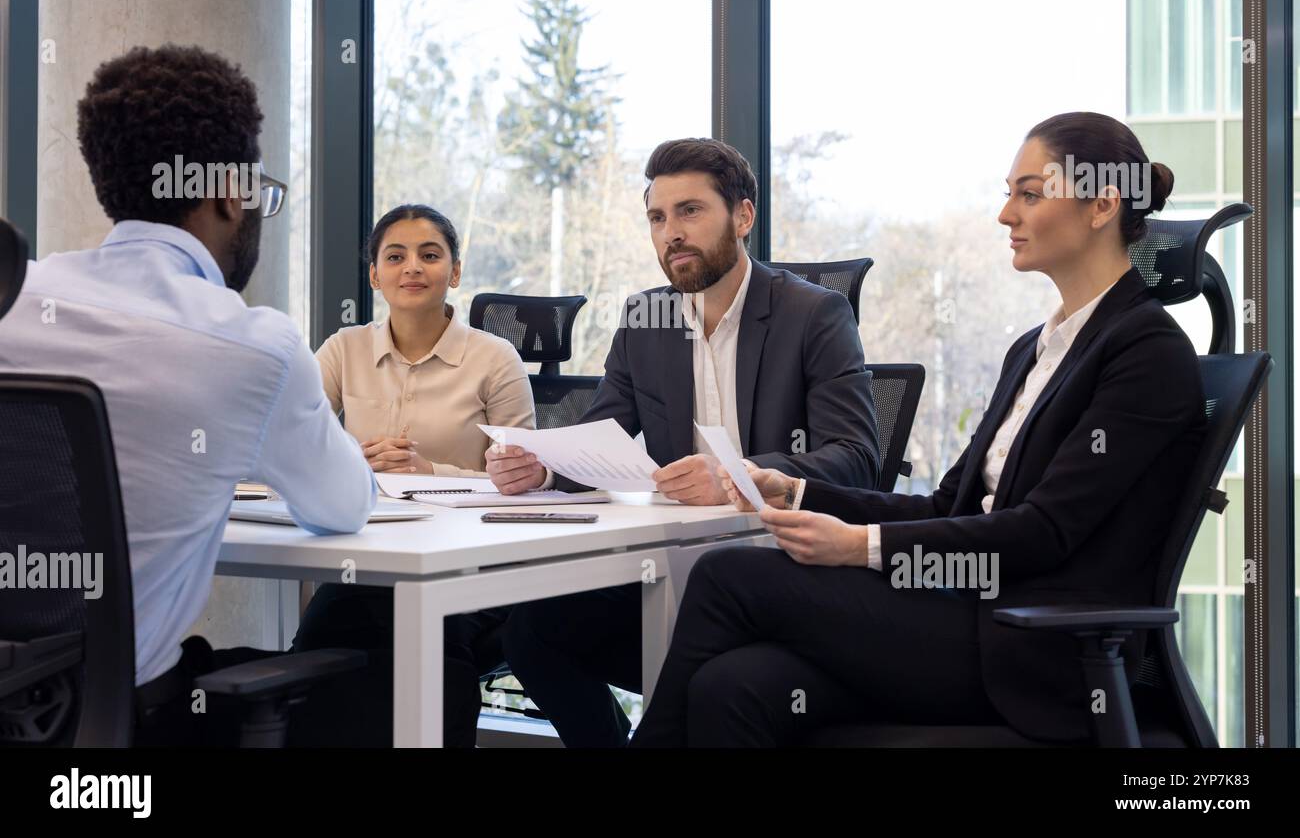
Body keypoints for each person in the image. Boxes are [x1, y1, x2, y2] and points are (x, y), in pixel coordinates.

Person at [630, 111, 1208, 747]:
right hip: (960, 616)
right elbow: (944, 504)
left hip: (1030, 644)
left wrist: (858, 546)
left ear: (1101, 205)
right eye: (1008, 194)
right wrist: (791, 491)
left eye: (1029, 194)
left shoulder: (1146, 351)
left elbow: (1043, 533)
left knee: (725, 574)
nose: (1006, 215)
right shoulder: (1036, 350)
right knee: (733, 686)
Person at [0, 45, 377, 746]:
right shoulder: (253, 344)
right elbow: (344, 504)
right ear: (231, 191)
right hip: (121, 727)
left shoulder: (15, 296)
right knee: (383, 679)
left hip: (28, 707)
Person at [488, 137, 882, 746]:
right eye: (657, 217)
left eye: (690, 211)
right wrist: (541, 469)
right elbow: (605, 435)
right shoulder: (646, 319)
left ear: (743, 216)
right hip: (671, 567)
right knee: (532, 632)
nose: (671, 232)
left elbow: (856, 461)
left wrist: (739, 474)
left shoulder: (815, 314)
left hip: (780, 570)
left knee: (710, 680)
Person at [290, 204, 535, 748]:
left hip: (470, 563)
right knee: (318, 642)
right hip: (367, 555)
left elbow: (523, 484)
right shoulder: (341, 349)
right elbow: (296, 446)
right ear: (374, 274)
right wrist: (353, 461)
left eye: (430, 255)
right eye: (394, 257)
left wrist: (431, 472)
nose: (413, 268)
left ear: (455, 271)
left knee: (431, 643)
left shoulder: (495, 359)